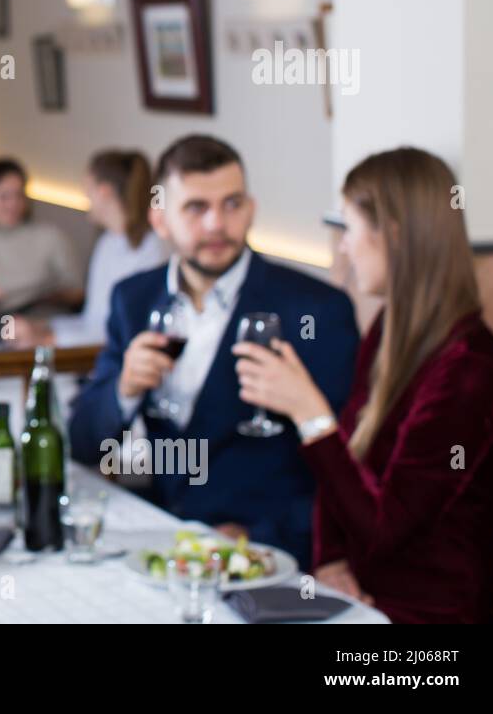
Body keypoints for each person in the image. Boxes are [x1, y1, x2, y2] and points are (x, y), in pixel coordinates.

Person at [233, 147, 493, 622]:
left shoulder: (469, 367)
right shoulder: (389, 328)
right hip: (361, 598)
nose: (342, 247)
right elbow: (351, 462)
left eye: (349, 227)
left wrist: (310, 416)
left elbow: (385, 527)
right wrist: (331, 557)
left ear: (394, 234)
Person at [67, 135, 358, 568]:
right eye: (197, 208)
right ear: (160, 220)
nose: (217, 224)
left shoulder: (315, 309)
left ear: (251, 210)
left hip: (268, 557)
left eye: (232, 204)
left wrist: (254, 539)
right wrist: (123, 389)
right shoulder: (133, 298)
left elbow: (343, 463)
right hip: (162, 545)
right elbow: (84, 442)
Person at [12, 149, 168, 348]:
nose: (86, 199)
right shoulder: (108, 242)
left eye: (88, 190)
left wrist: (47, 340)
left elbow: (122, 334)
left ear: (104, 191)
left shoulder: (151, 249)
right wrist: (42, 327)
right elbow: (92, 321)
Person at [0, 158, 83, 316]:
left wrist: (46, 295)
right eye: (4, 197)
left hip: (42, 323)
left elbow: (77, 292)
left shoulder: (51, 236)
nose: (13, 204)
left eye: (19, 195)